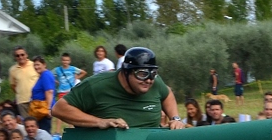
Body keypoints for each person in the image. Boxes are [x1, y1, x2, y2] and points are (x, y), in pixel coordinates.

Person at [52, 47, 183, 129]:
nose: (148, 80)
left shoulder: (155, 82)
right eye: (142, 74)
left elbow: (167, 94)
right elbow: (59, 109)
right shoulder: (97, 86)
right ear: (125, 72)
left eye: (153, 74)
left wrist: (175, 118)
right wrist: (99, 122)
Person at [8, 46, 38, 118]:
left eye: (22, 55)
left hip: (36, 100)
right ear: (15, 57)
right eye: (17, 55)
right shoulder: (12, 70)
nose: (20, 57)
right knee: (26, 124)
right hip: (22, 101)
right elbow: (13, 86)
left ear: (26, 55)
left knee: (38, 124)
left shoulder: (34, 65)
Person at [29, 56, 56, 132]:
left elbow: (49, 92)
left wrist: (49, 108)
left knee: (44, 132)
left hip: (44, 110)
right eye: (35, 65)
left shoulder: (46, 75)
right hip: (39, 110)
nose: (36, 67)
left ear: (44, 64)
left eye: (38, 64)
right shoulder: (42, 75)